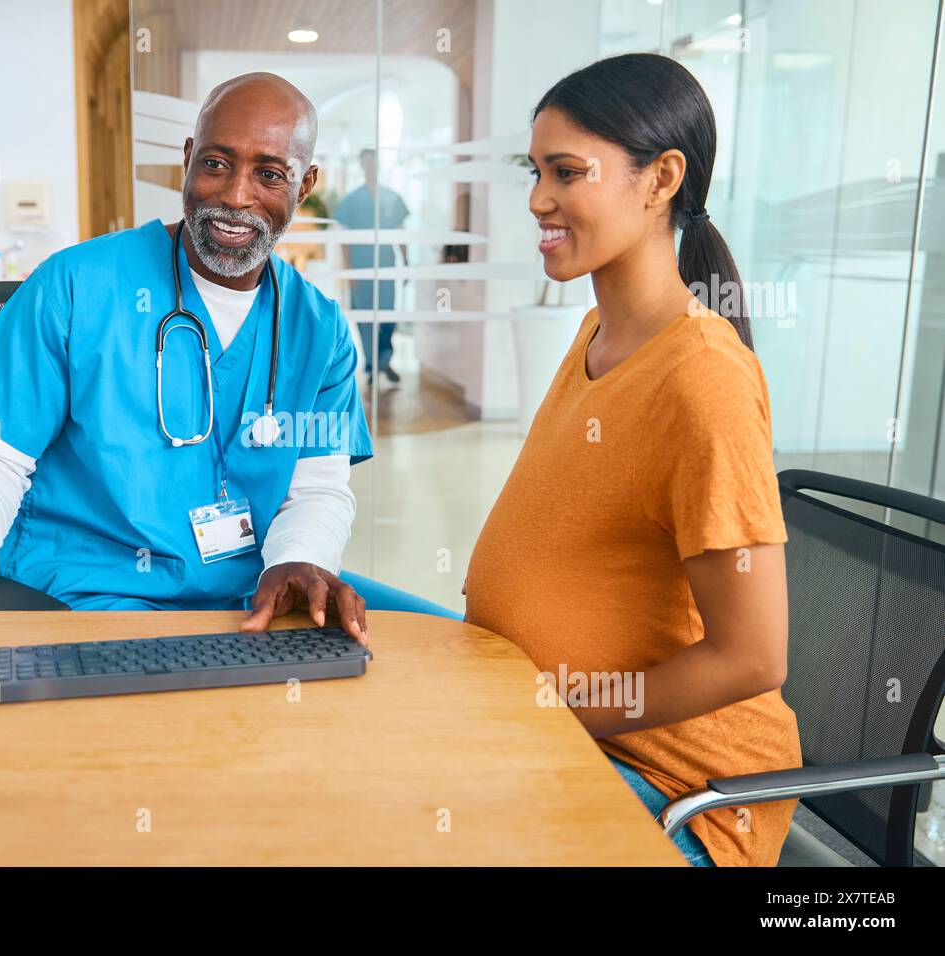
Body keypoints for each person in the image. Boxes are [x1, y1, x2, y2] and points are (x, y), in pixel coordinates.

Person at [0, 73, 372, 642]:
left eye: (269, 174)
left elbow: (316, 488)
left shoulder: (320, 330)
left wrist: (298, 559)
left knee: (420, 648)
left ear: (305, 185)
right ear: (187, 159)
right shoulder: (78, 284)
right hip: (84, 602)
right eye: (215, 163)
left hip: (248, 600)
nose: (235, 196)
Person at [464, 53, 801, 867]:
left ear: (661, 179)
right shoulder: (597, 334)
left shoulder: (702, 378)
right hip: (560, 733)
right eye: (536, 172)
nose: (540, 200)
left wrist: (565, 710)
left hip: (674, 794)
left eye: (568, 172)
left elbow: (753, 656)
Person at [334, 148, 408, 384]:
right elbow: (345, 240)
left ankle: (385, 360)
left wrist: (406, 263)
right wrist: (350, 272)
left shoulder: (391, 197)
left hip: (386, 266)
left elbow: (400, 233)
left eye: (373, 162)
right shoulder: (352, 200)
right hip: (362, 268)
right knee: (366, 320)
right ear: (361, 166)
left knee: (387, 316)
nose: (370, 167)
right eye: (366, 163)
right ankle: (372, 365)